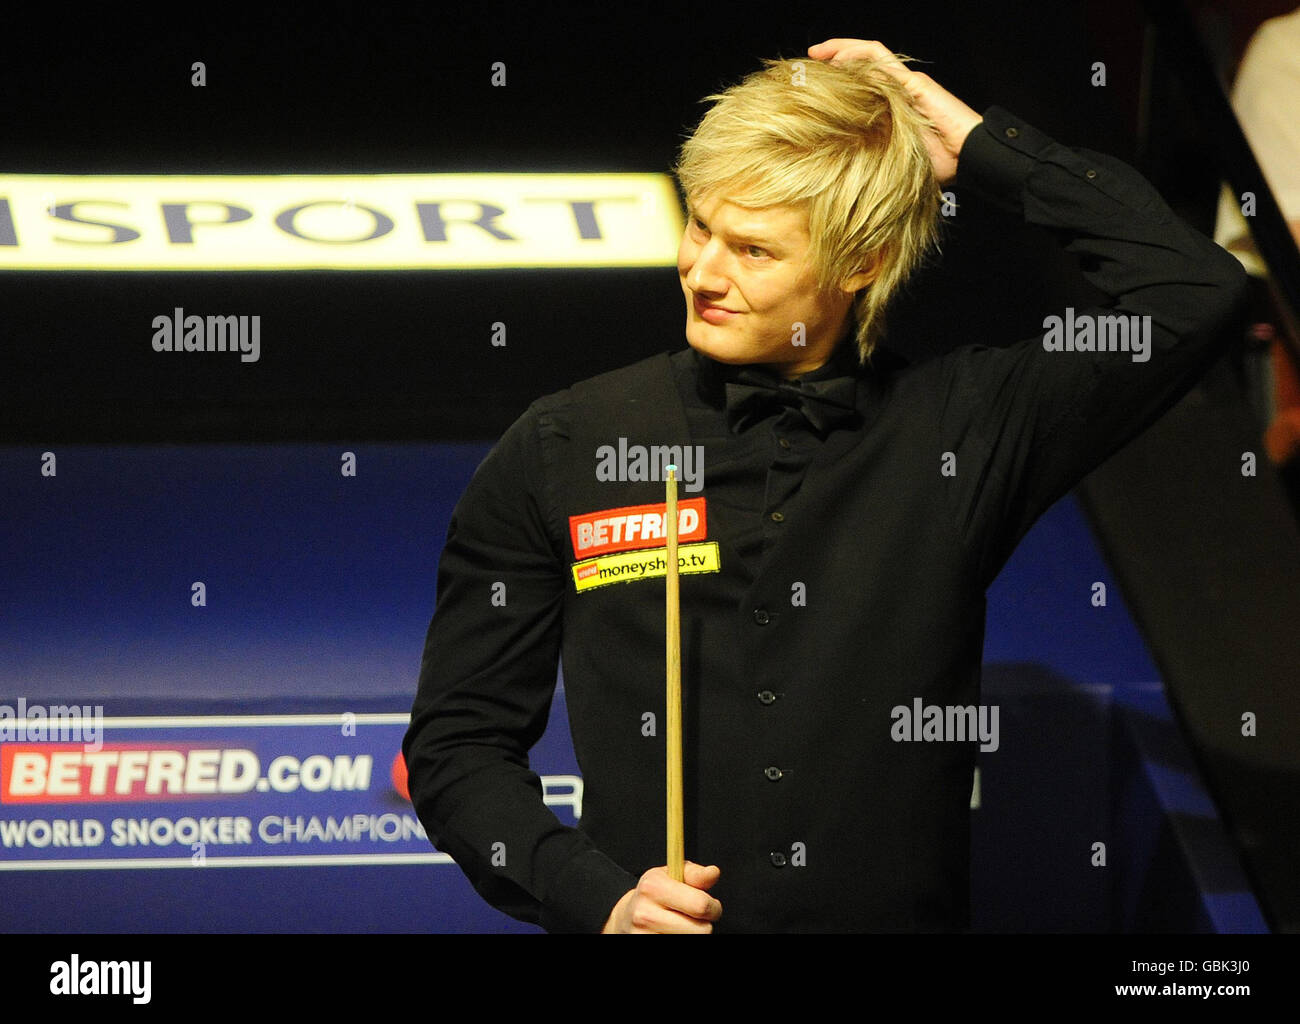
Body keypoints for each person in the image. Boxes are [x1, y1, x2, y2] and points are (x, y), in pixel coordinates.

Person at [403, 38, 1247, 933]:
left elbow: (1193, 291)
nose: (702, 273)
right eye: (699, 226)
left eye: (754, 250)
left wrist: (978, 147)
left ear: (865, 263)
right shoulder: (567, 444)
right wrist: (597, 898)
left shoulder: (965, 426)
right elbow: (457, 749)